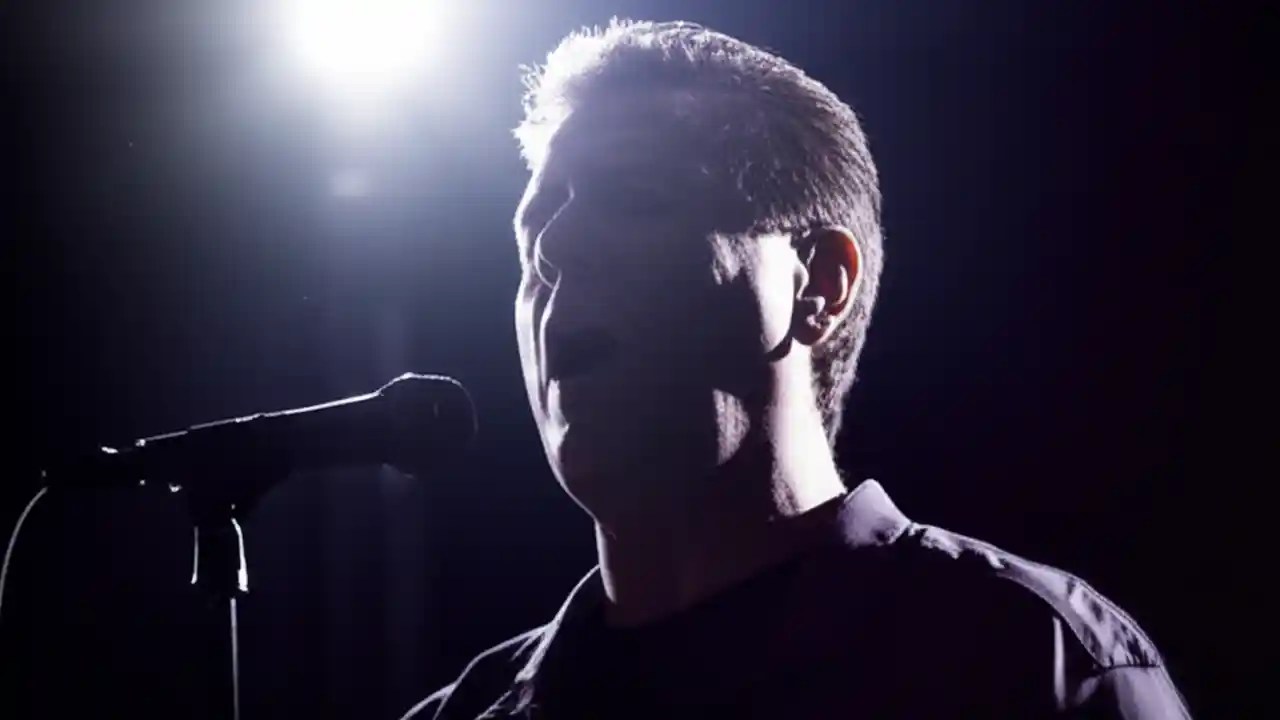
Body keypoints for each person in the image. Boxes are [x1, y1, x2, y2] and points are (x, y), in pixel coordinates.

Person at [404, 20, 1192, 720]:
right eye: (536, 221)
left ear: (817, 285)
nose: (554, 246)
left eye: (636, 197)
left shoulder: (1030, 666)